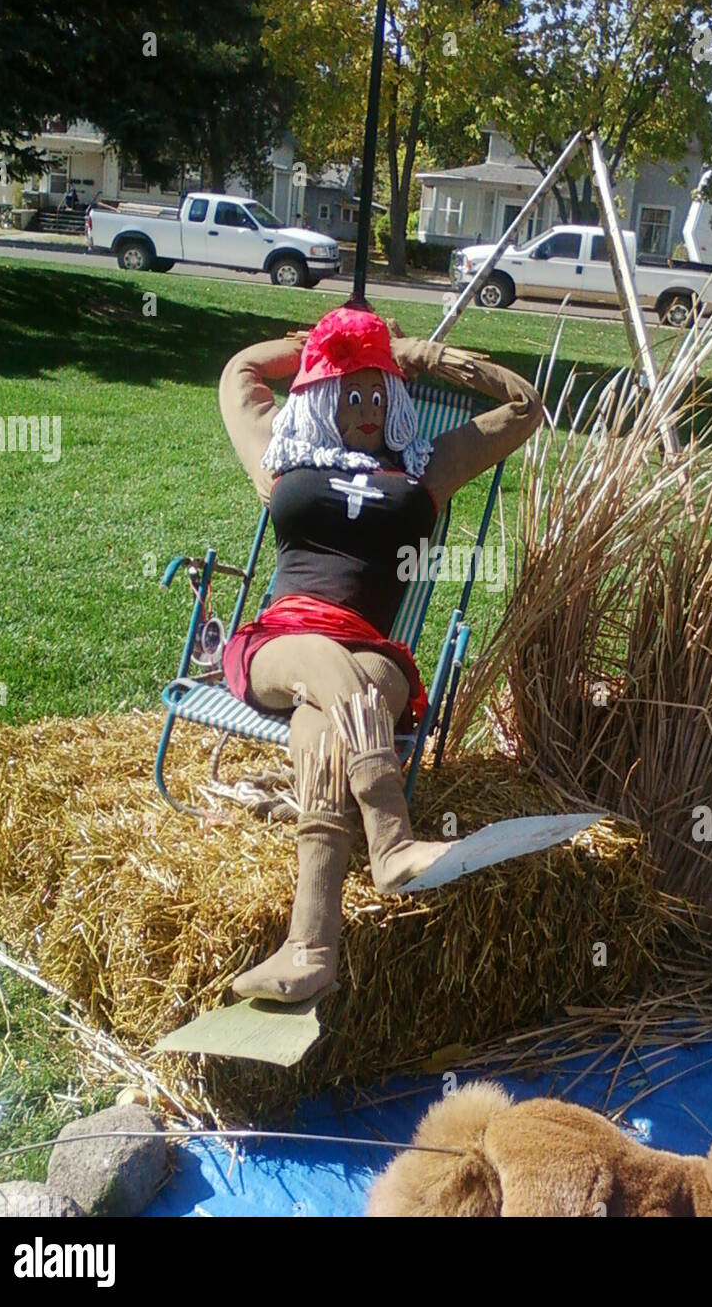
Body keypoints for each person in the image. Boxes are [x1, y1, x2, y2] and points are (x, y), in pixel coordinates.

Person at [218, 305, 543, 1004]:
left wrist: (418, 355)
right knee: (326, 673)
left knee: (329, 715)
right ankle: (390, 832)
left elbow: (524, 404)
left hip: (370, 656)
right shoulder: (282, 452)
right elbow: (241, 369)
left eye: (377, 393)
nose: (365, 409)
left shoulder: (427, 465)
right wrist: (310, 344)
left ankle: (309, 948)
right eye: (349, 392)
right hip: (281, 641)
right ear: (321, 396)